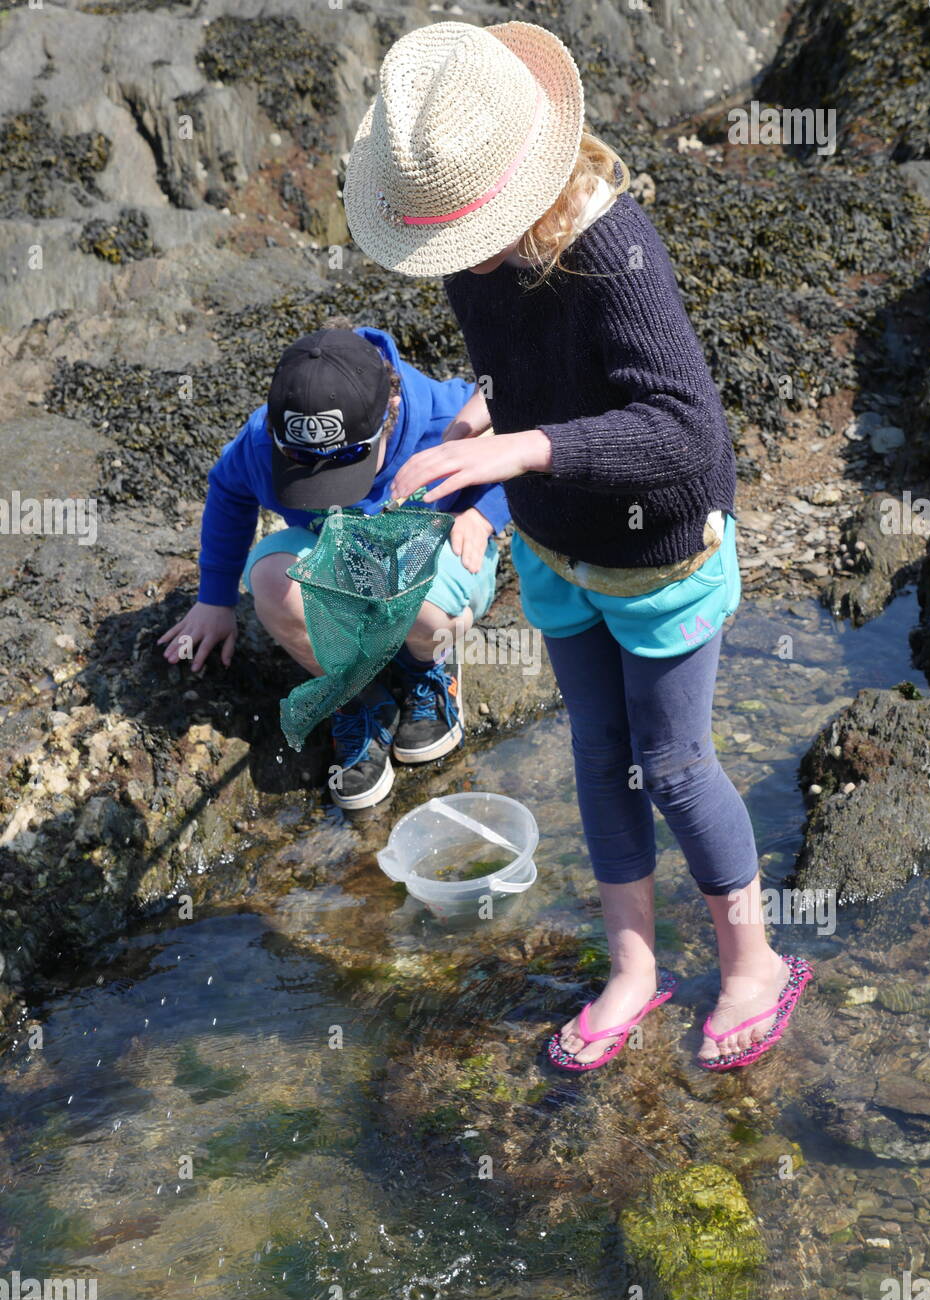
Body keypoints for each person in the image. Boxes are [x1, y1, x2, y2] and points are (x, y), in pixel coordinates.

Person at [342, 20, 813, 1069]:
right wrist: (483, 418)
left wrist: (526, 448)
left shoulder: (615, 251)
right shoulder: (470, 255)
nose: (455, 262)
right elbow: (523, 366)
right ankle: (635, 967)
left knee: (677, 764)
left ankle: (754, 966)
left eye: (467, 237)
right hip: (558, 549)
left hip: (663, 555)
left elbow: (687, 432)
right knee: (600, 756)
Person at [158, 321, 509, 810]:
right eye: (304, 469)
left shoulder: (447, 419)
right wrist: (215, 599)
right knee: (269, 579)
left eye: (345, 468)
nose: (327, 483)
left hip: (430, 558)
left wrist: (484, 513)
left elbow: (526, 434)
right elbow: (229, 489)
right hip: (339, 562)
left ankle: (424, 668)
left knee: (425, 609)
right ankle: (361, 698)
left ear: (390, 415)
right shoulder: (264, 439)